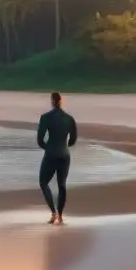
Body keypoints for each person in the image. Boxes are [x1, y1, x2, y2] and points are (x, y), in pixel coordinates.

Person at [37, 91, 77, 225]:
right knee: (62, 185)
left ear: (52, 101)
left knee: (43, 182)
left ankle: (53, 213)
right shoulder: (70, 119)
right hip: (65, 155)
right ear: (61, 101)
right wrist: (63, 146)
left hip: (51, 154)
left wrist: (49, 148)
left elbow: (40, 140)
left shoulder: (45, 117)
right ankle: (60, 216)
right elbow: (73, 140)